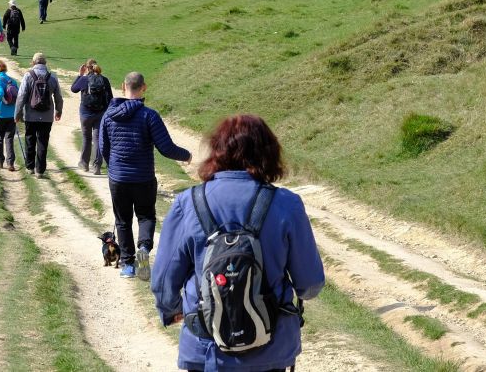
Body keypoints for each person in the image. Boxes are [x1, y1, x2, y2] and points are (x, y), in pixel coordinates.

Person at [151, 115, 325, 372]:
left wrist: (172, 309)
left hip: (206, 347)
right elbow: (310, 283)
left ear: (216, 152)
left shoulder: (188, 203)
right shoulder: (288, 204)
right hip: (272, 347)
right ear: (269, 153)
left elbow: (164, 279)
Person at [99, 72, 191, 280]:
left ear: (123, 86)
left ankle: (128, 265)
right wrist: (187, 155)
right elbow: (166, 148)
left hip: (118, 178)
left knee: (122, 220)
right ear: (144, 88)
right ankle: (144, 248)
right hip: (143, 178)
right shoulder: (149, 115)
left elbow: (103, 147)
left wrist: (113, 166)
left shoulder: (109, 115)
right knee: (146, 216)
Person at [14, 52, 63, 178]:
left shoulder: (28, 76)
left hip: (31, 115)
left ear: (33, 62)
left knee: (30, 139)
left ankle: (30, 167)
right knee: (43, 142)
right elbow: (58, 97)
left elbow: (21, 96)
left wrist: (17, 113)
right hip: (47, 116)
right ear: (45, 63)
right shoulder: (52, 77)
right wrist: (58, 111)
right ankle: (40, 170)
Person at [70, 59, 112, 174]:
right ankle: (97, 166)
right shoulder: (104, 80)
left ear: (87, 68)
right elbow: (110, 98)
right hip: (100, 113)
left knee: (86, 138)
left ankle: (84, 164)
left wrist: (79, 75)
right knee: (98, 138)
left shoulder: (84, 79)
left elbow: (73, 89)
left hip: (86, 113)